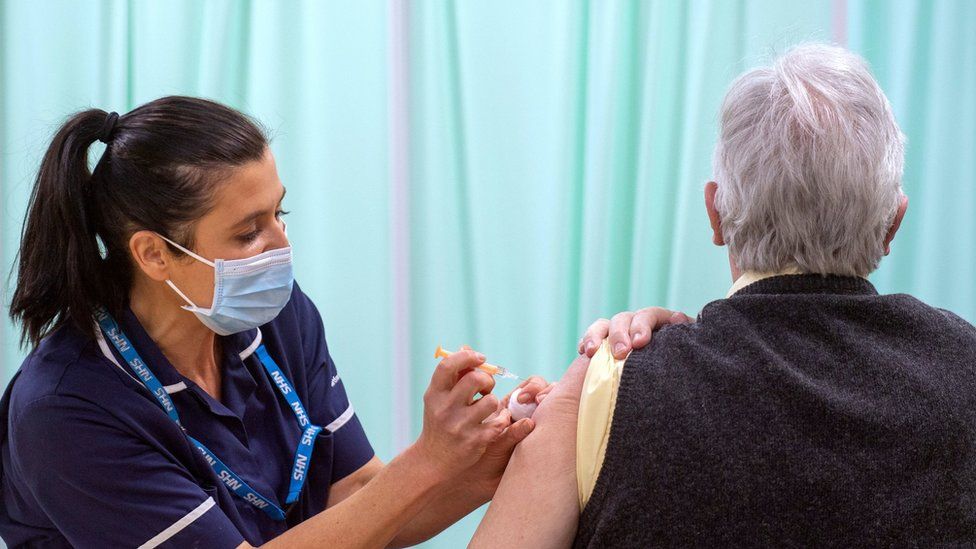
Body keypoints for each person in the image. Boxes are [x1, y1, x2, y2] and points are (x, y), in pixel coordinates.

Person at [0, 96, 664, 548]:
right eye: (248, 232)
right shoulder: (66, 411)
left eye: (279, 214)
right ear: (153, 254)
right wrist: (430, 460)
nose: (280, 248)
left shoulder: (276, 320)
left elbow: (364, 504)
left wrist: (491, 447)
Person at [472, 43, 976, 547]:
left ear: (715, 213)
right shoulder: (964, 366)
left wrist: (603, 386)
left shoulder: (607, 387)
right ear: (894, 223)